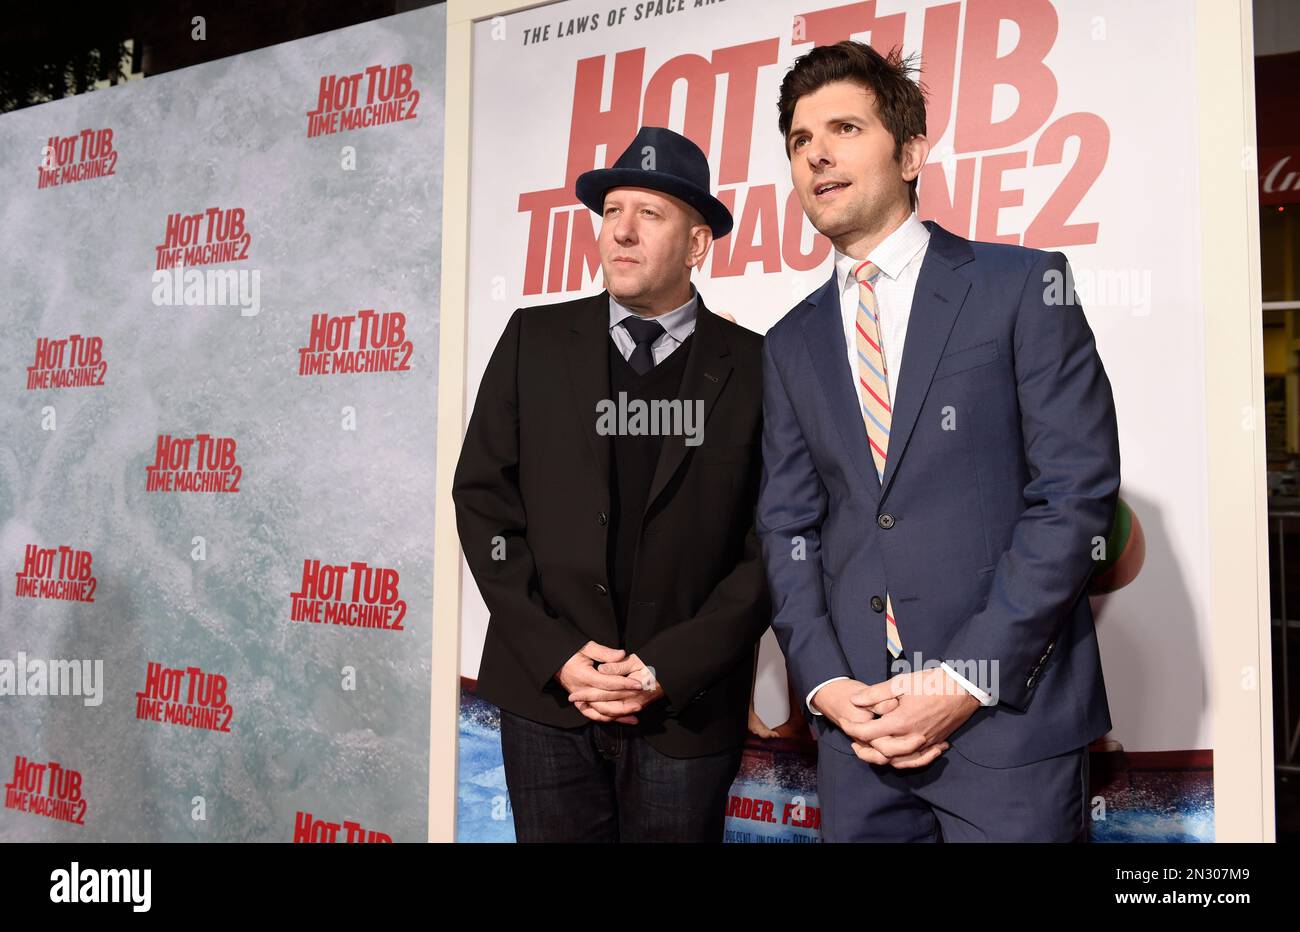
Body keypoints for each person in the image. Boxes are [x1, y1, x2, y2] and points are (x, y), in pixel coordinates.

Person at [757, 41, 1120, 842]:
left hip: (1008, 735)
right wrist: (823, 685)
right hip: (858, 738)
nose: (816, 152)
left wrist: (965, 679)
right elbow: (787, 528)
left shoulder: (1024, 286)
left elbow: (1075, 498)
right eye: (798, 140)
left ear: (912, 151)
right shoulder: (787, 343)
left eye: (844, 127)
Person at [453, 126, 771, 842]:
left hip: (685, 711)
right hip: (545, 697)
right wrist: (557, 653)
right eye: (611, 212)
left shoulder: (758, 367)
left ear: (697, 245)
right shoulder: (532, 340)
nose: (621, 232)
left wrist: (667, 666)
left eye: (649, 214)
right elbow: (482, 503)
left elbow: (773, 543)